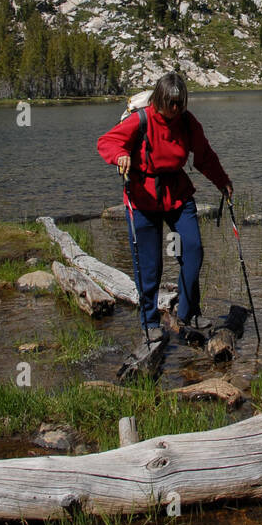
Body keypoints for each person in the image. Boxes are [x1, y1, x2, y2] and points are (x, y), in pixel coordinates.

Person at [97, 72, 232, 341]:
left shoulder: (187, 122)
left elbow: (204, 156)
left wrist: (222, 182)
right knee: (150, 266)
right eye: (170, 102)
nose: (175, 108)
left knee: (192, 250)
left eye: (179, 102)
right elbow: (107, 142)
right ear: (158, 99)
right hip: (142, 197)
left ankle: (189, 312)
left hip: (177, 195)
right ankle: (149, 322)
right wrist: (121, 154)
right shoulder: (141, 120)